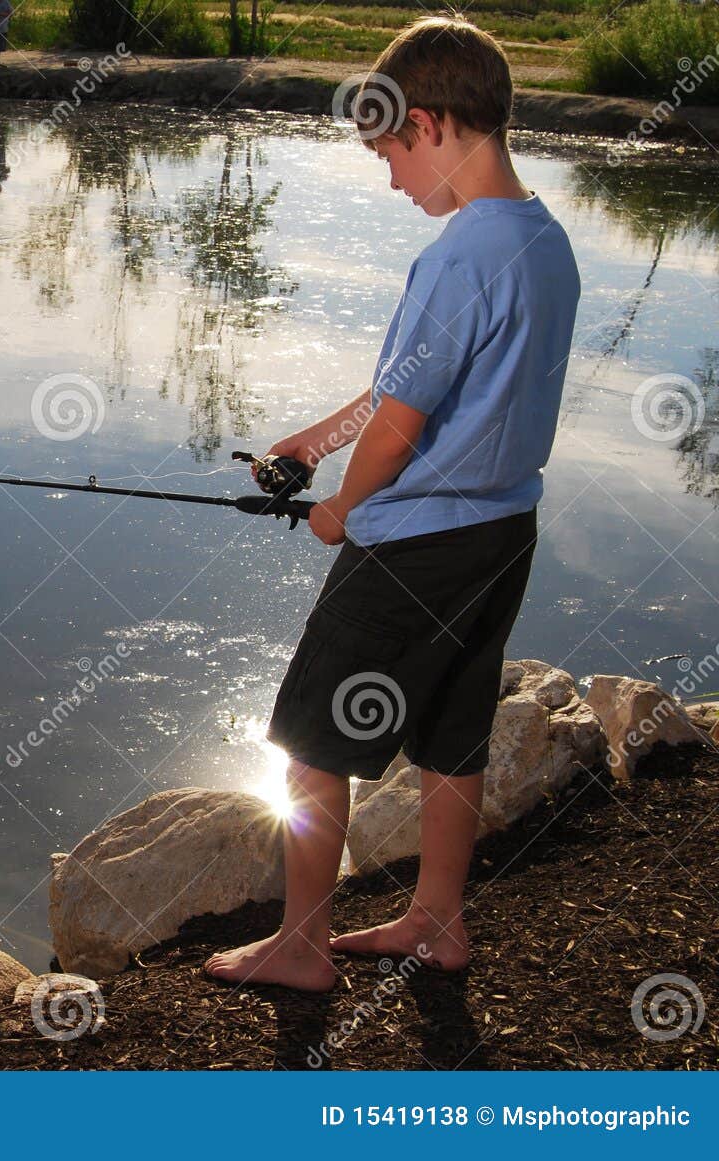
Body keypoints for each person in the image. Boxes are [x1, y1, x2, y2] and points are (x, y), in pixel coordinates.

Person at [203, 15, 581, 992]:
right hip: (500, 531)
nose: (389, 178)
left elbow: (403, 424)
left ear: (429, 125)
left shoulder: (458, 257)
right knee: (452, 733)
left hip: (411, 546)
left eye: (389, 155)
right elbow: (410, 390)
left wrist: (337, 508)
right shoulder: (544, 243)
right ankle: (435, 922)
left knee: (309, 738)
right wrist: (310, 443)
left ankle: (299, 947)